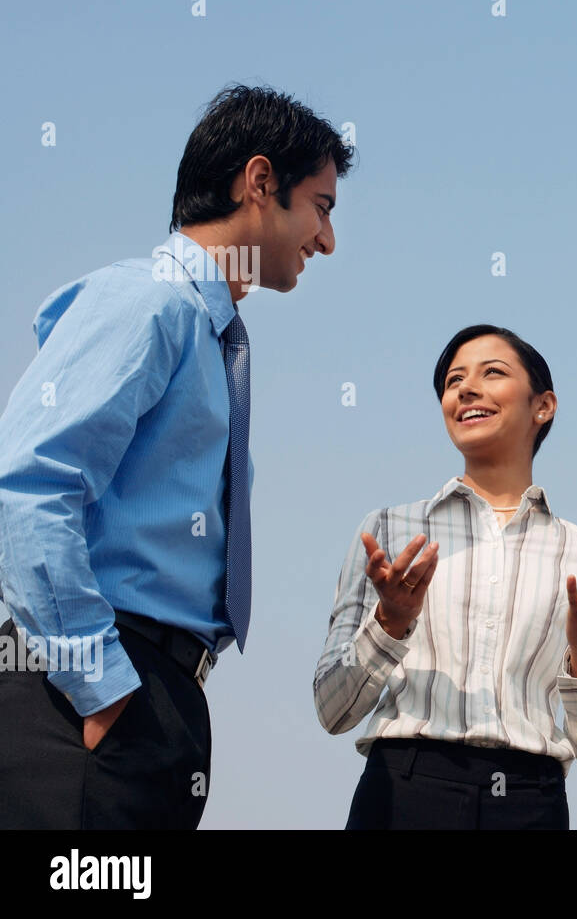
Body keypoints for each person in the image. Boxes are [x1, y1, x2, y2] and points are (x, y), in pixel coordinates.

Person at [0, 84, 353, 828]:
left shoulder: (210, 333)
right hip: (92, 695)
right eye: (321, 207)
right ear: (260, 183)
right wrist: (102, 688)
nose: (327, 240)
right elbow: (30, 488)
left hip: (161, 697)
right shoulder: (149, 302)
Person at [315, 324, 577, 830]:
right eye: (454, 380)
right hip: (404, 792)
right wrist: (390, 622)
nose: (466, 389)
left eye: (492, 373)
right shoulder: (388, 531)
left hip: (531, 801)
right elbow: (333, 710)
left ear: (543, 406)